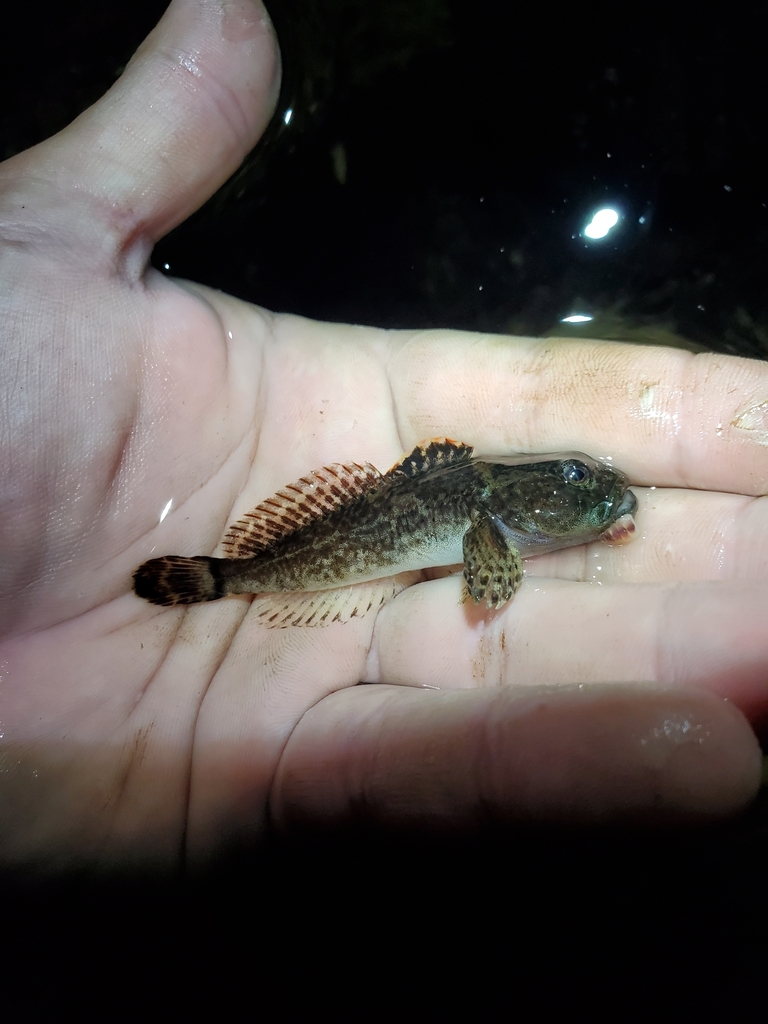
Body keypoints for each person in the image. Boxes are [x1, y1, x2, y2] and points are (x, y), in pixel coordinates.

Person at [0, 0, 765, 872]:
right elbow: (488, 586)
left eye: (590, 488)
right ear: (521, 499)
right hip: (290, 567)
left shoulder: (497, 507)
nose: (594, 493)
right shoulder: (489, 519)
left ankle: (222, 581)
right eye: (578, 484)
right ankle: (222, 581)